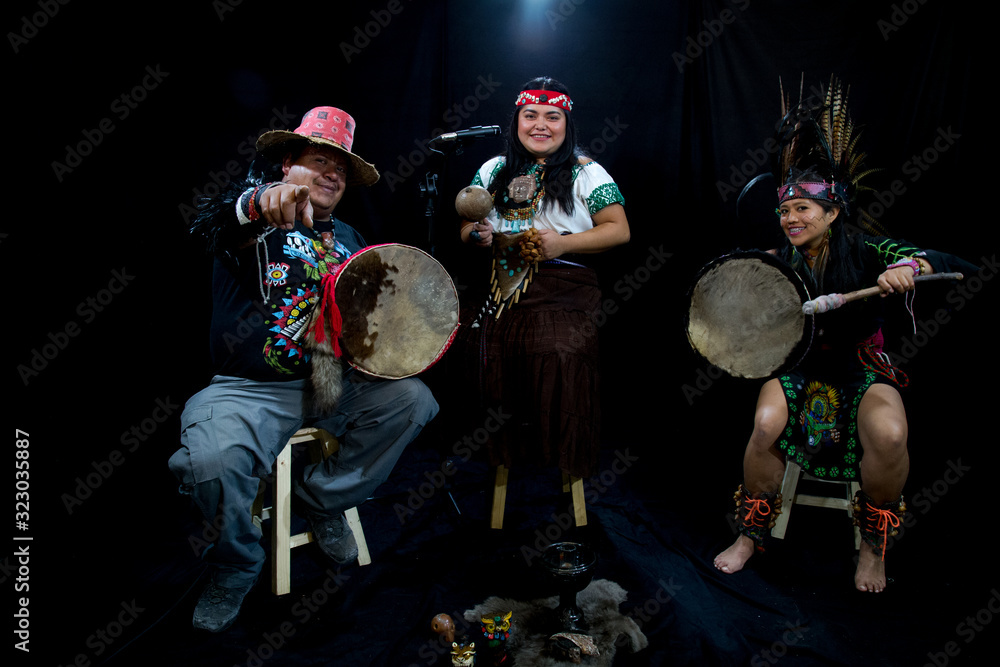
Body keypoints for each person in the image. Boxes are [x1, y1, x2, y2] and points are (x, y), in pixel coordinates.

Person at [168, 107, 439, 632]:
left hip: (332, 381)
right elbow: (220, 223)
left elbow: (372, 322)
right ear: (287, 164)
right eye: (320, 161)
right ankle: (236, 565)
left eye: (340, 168)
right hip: (249, 389)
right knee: (210, 462)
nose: (333, 174)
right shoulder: (253, 218)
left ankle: (321, 500)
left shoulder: (353, 239)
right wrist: (256, 203)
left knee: (414, 402)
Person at [712, 79, 975, 592]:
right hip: (798, 367)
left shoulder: (864, 249)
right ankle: (750, 534)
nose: (790, 218)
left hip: (859, 367)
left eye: (803, 210)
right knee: (765, 426)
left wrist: (908, 267)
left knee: (891, 434)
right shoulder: (778, 263)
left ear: (832, 213)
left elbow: (935, 259)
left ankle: (874, 548)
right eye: (784, 211)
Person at [458, 77, 630, 482]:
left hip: (563, 292)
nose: (541, 124)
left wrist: (563, 245)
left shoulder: (586, 171)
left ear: (566, 124)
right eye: (530, 115)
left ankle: (561, 459)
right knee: (469, 346)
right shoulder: (492, 169)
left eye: (553, 117)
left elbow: (619, 230)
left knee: (558, 351)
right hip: (499, 290)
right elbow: (467, 224)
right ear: (516, 120)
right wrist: (477, 235)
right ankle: (498, 455)